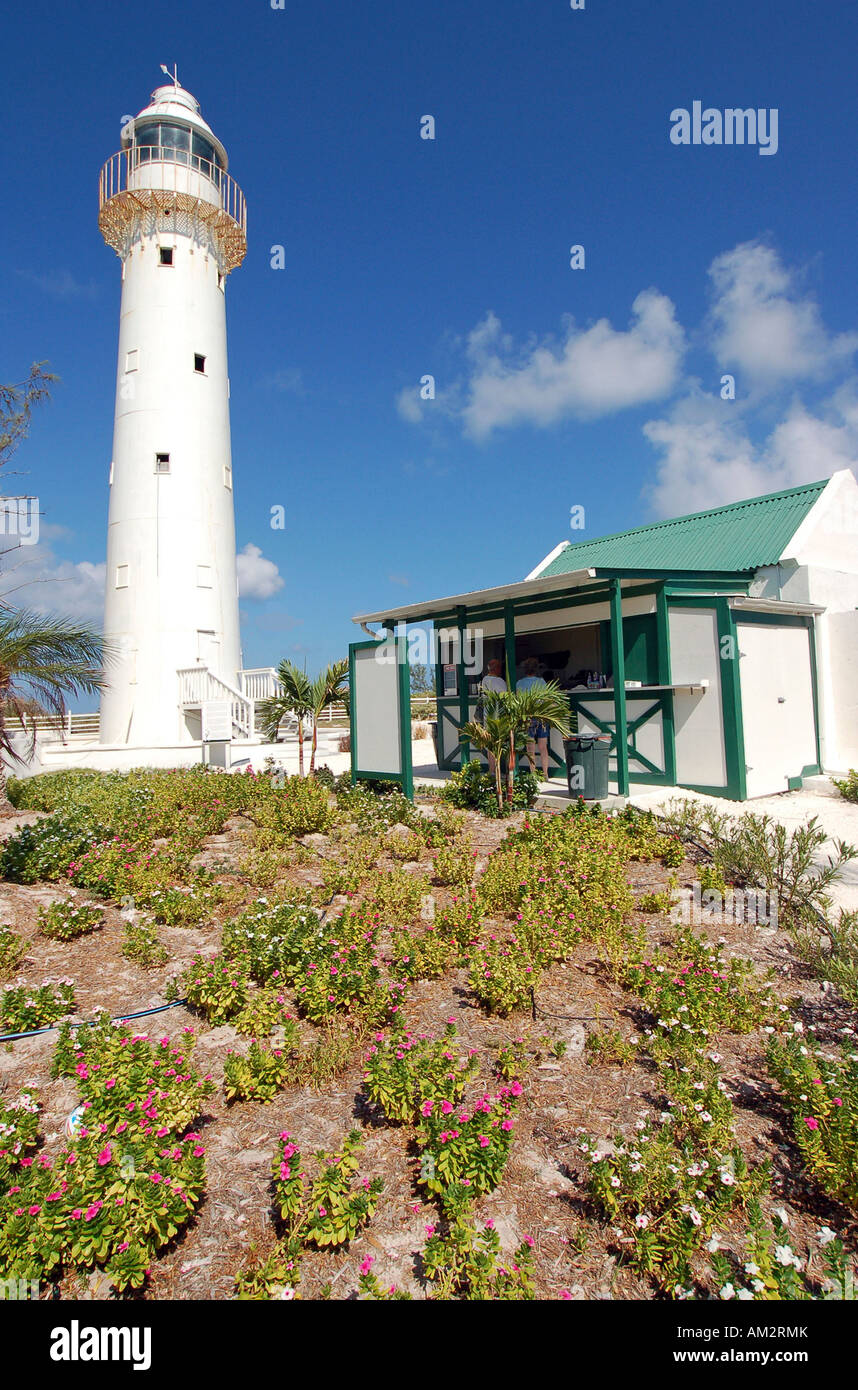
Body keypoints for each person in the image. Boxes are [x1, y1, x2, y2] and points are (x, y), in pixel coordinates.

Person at [517, 656, 550, 778]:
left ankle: (533, 772)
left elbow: (518, 700)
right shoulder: (541, 682)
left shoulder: (519, 683)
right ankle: (545, 773)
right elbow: (547, 698)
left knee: (530, 748)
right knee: (543, 747)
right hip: (541, 716)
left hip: (528, 717)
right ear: (536, 669)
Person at [478, 658, 507, 775]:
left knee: (490, 744)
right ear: (498, 668)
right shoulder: (499, 681)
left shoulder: (484, 680)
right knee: (499, 743)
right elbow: (505, 697)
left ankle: (492, 769)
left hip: (487, 715)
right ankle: (498, 769)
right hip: (498, 715)